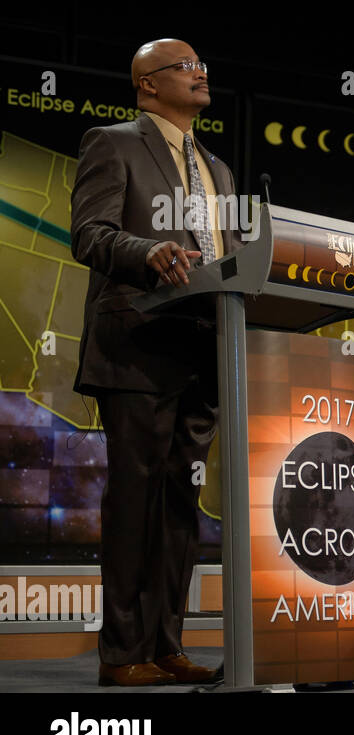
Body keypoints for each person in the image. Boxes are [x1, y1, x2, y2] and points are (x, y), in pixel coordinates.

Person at [71, 38, 236, 686]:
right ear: (147, 84)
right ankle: (121, 656)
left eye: (203, 64)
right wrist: (147, 251)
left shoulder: (218, 170)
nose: (201, 74)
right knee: (135, 503)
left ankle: (165, 644)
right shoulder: (113, 144)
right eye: (186, 66)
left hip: (200, 352)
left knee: (178, 508)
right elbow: (90, 232)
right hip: (137, 348)